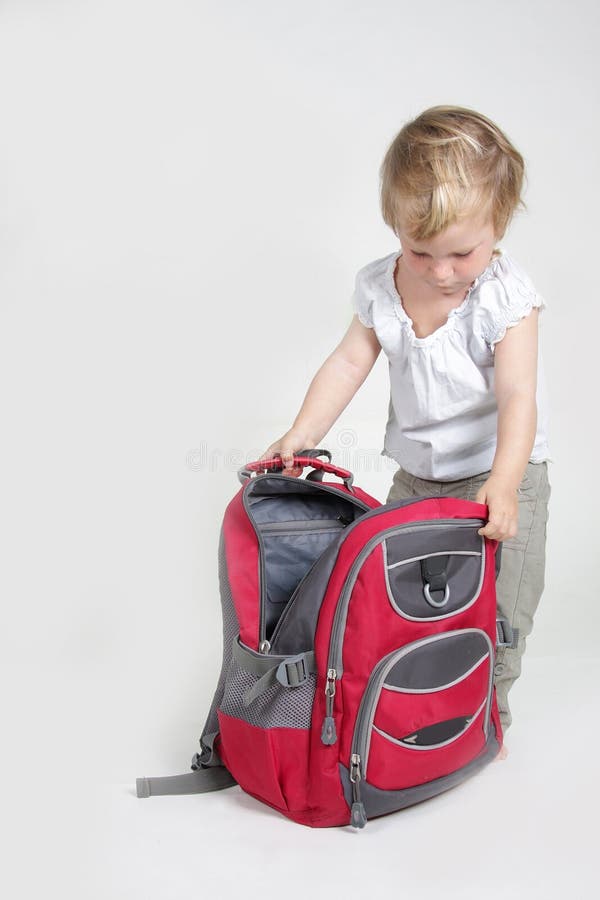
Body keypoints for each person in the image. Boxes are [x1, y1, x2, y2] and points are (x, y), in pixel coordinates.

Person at [259, 105, 552, 760]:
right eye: (420, 251)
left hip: (501, 478)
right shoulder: (381, 288)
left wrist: (505, 484)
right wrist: (300, 433)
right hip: (418, 480)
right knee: (402, 600)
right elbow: (347, 364)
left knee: (499, 608)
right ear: (393, 225)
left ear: (499, 225)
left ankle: (486, 719)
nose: (440, 272)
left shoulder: (503, 296)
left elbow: (518, 395)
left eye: (462, 253)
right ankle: (411, 710)